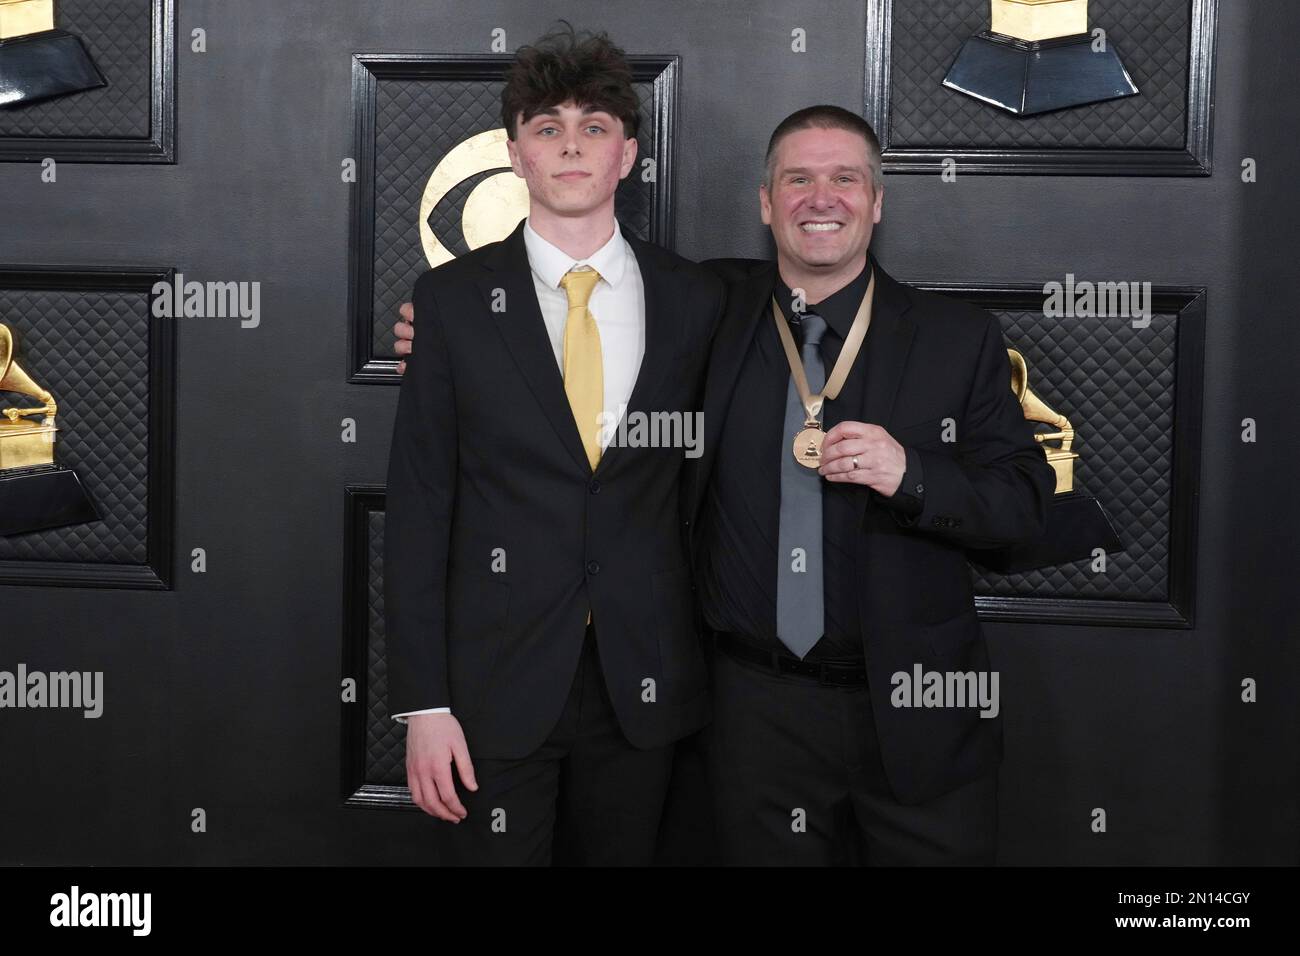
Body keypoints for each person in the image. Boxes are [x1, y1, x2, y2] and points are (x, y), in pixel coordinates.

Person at [395, 105, 1054, 865]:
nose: (821, 198)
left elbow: (1027, 510)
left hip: (915, 713)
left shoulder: (956, 337)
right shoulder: (703, 306)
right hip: (749, 718)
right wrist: (443, 328)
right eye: (797, 179)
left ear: (877, 201)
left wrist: (915, 476)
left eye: (845, 179)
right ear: (765, 202)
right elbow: (550, 313)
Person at [383, 24, 723, 866]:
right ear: (516, 155)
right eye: (547, 128)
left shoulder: (698, 299)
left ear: (628, 156)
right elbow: (421, 509)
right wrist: (423, 706)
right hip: (493, 686)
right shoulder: (452, 303)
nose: (571, 146)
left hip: (644, 683)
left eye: (594, 128)